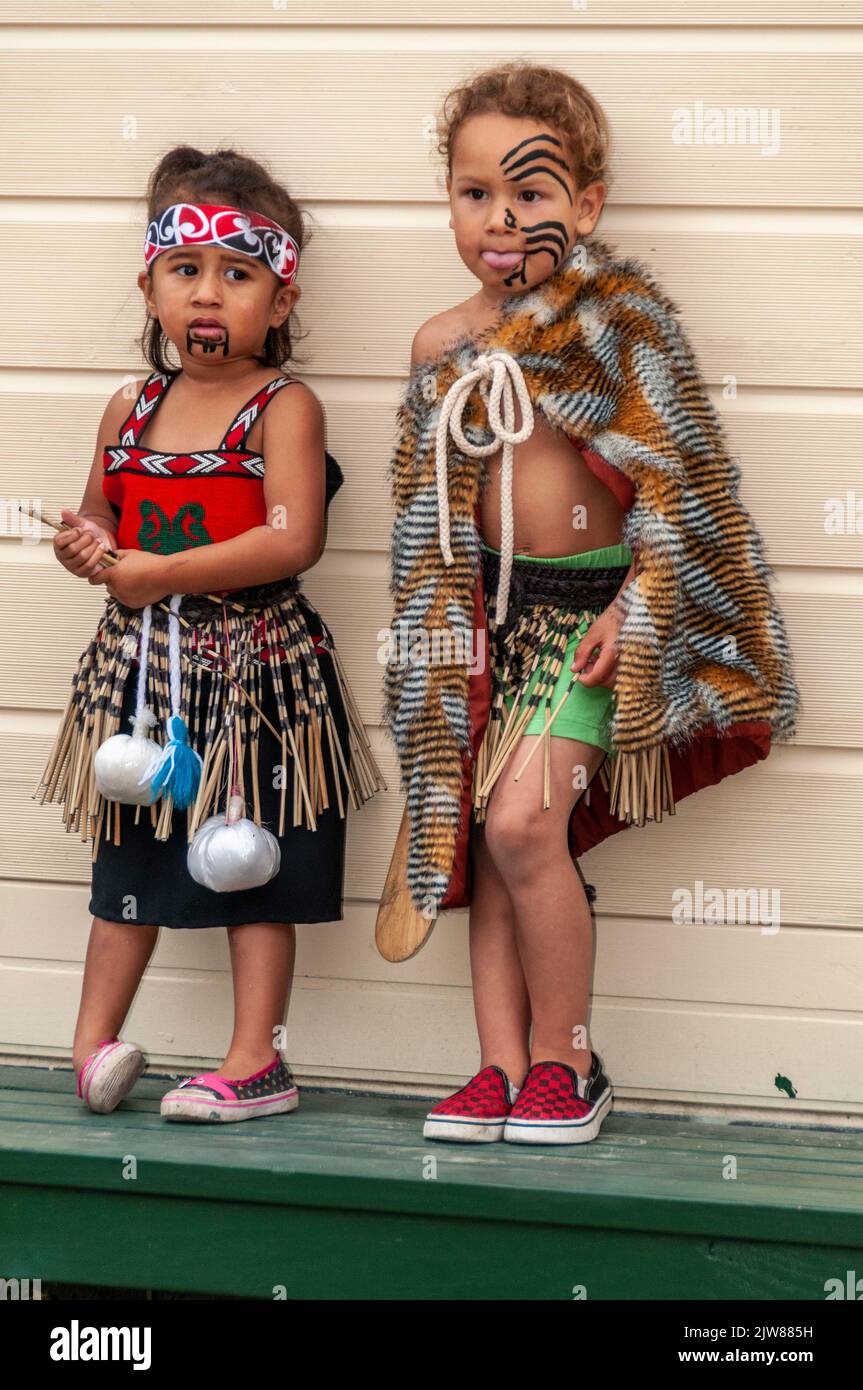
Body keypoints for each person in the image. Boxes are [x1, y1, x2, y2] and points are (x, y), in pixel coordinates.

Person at [380, 63, 801, 1145]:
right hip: (491, 627)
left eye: (531, 193)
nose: (501, 218)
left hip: (589, 619)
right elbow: (424, 516)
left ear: (587, 207)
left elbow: (682, 485)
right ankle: (497, 1065)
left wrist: (645, 603)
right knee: (480, 835)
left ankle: (569, 1061)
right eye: (475, 193)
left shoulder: (617, 323)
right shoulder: (439, 345)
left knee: (525, 822)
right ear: (449, 201)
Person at [37, 145, 385, 1122]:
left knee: (251, 856)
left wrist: (156, 575)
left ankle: (253, 1059)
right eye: (185, 270)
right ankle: (93, 1046)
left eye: (238, 275)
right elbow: (100, 512)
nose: (208, 293)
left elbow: (290, 537)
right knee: (130, 861)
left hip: (255, 675)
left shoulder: (284, 408)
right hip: (140, 682)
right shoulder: (130, 405)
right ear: (148, 287)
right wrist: (92, 548)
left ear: (279, 302)